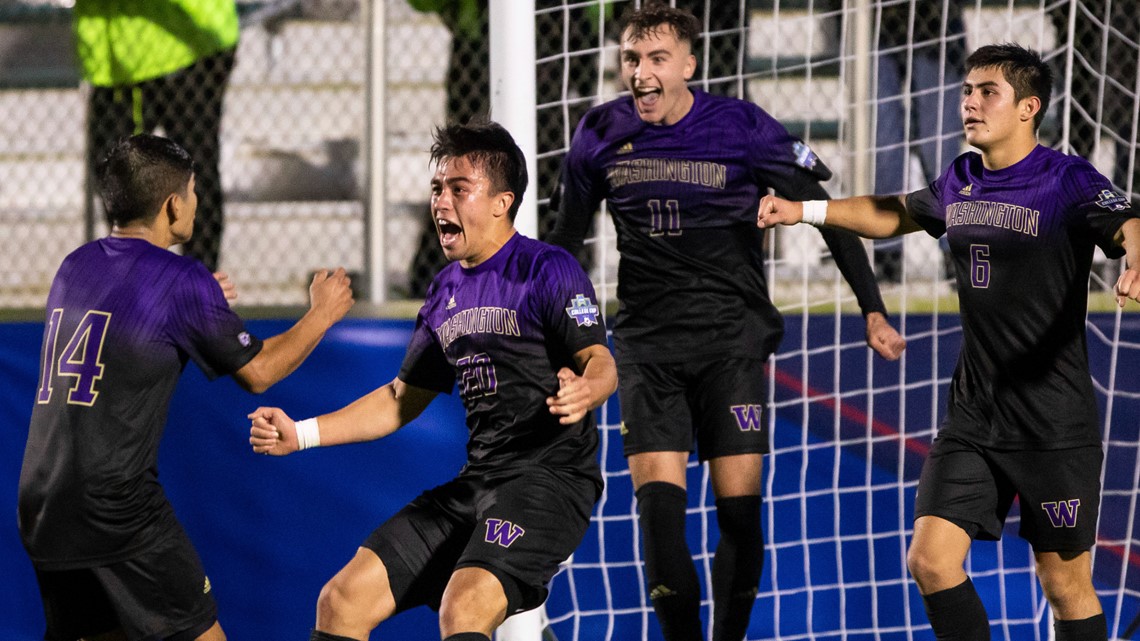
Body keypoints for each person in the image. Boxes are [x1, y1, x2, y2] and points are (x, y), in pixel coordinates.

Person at [545, 4, 906, 640]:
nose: (642, 72)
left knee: (739, 516)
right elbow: (564, 246)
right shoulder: (598, 133)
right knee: (659, 519)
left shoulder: (741, 126)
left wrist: (871, 308)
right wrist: (563, 337)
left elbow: (820, 210)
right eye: (632, 58)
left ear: (689, 63)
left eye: (658, 59)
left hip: (731, 343)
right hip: (646, 351)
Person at [758, 43, 1140, 640]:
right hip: (973, 417)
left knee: (1064, 587)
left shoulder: (1066, 178)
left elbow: (1127, 222)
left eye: (988, 92)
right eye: (966, 91)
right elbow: (893, 213)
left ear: (1027, 108)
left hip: (1052, 425)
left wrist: (1135, 255)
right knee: (930, 562)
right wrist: (805, 209)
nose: (970, 102)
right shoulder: (959, 178)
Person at [247, 120, 617, 641]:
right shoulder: (445, 289)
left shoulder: (548, 269)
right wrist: (302, 433)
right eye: (437, 188)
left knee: (463, 609)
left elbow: (600, 361)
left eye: (459, 189)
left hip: (549, 483)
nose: (441, 202)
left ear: (501, 202)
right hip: (479, 482)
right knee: (342, 600)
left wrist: (587, 389)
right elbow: (401, 401)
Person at [17, 134, 355, 641]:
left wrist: (194, 305)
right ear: (174, 206)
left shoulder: (75, 264)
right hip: (117, 508)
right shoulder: (180, 282)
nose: (197, 201)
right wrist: (322, 313)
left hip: (43, 504)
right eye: (193, 191)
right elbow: (259, 371)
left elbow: (124, 321)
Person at [75, 0, 239, 272]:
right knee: (113, 175)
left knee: (193, 177)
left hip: (188, 43)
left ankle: (200, 293)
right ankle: (139, 283)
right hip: (115, 53)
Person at [872, 1, 966, 282]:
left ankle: (955, 254)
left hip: (937, 22)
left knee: (939, 149)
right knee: (882, 142)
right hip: (874, 22)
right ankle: (886, 257)